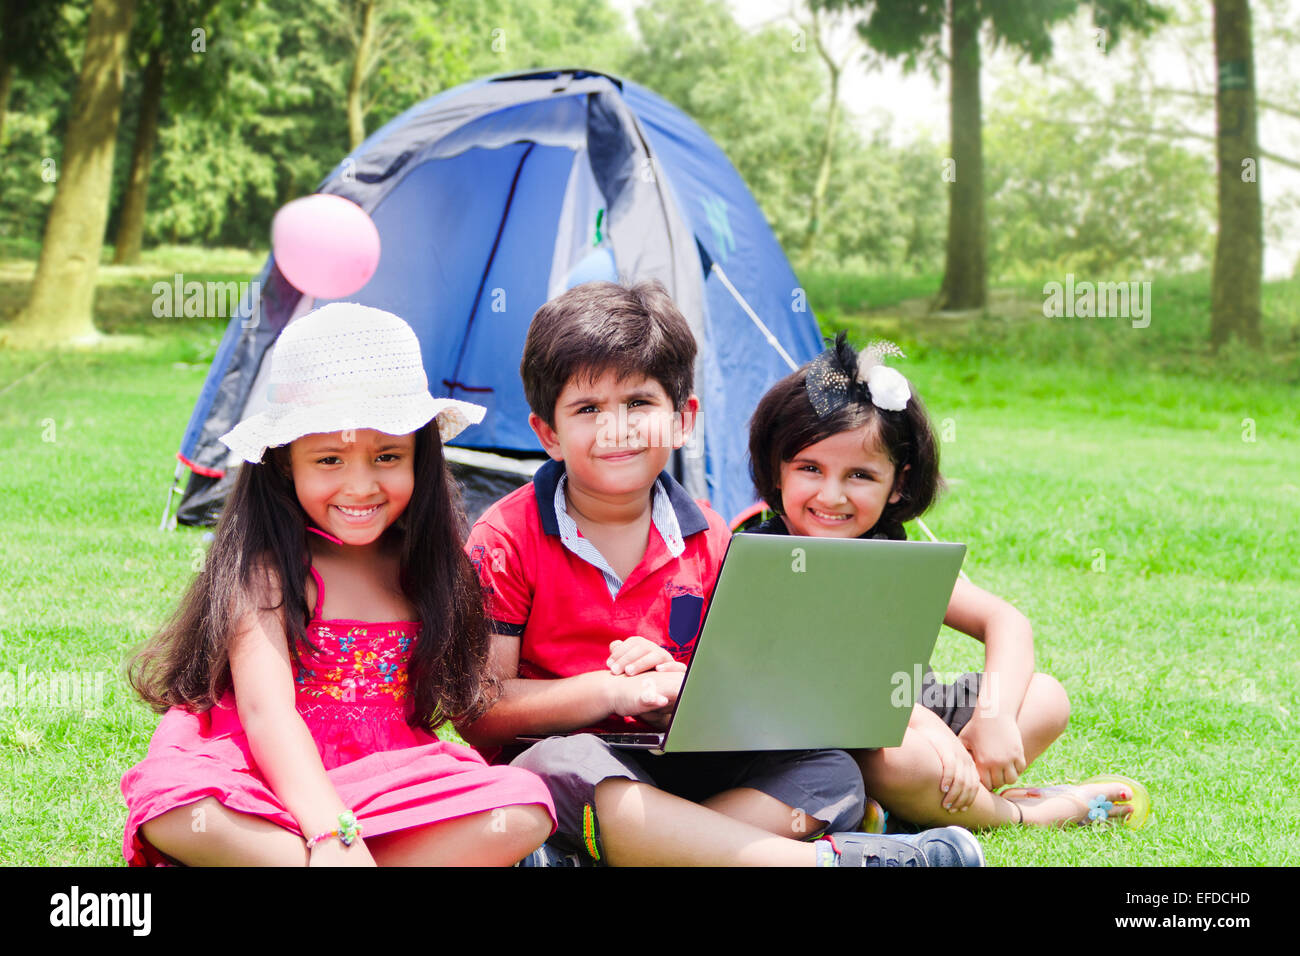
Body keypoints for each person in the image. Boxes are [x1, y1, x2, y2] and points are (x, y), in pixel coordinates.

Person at [460, 280, 984, 866]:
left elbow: (739, 683)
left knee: (829, 772)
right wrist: (610, 691)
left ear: (683, 420)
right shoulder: (505, 539)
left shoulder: (708, 536)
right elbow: (481, 713)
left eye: (639, 403)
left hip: (682, 765)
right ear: (548, 434)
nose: (617, 428)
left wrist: (677, 689)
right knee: (557, 766)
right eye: (588, 409)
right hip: (573, 766)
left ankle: (639, 850)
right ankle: (817, 861)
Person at [121, 303, 555, 866]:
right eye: (329, 459)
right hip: (261, 770)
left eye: (387, 456)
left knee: (523, 808)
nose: (360, 486)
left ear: (420, 456)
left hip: (388, 773)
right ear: (283, 463)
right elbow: (267, 715)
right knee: (181, 810)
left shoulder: (425, 567)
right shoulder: (266, 571)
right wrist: (331, 835)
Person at [747, 332, 1149, 829]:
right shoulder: (759, 558)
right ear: (777, 470)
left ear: (898, 484)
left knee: (1046, 697)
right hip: (832, 742)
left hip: (917, 715)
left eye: (860, 475)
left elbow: (1005, 621)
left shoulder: (893, 554)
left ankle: (916, 805)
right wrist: (927, 734)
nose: (832, 495)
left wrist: (994, 717)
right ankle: (1022, 815)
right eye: (810, 468)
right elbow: (822, 689)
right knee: (897, 759)